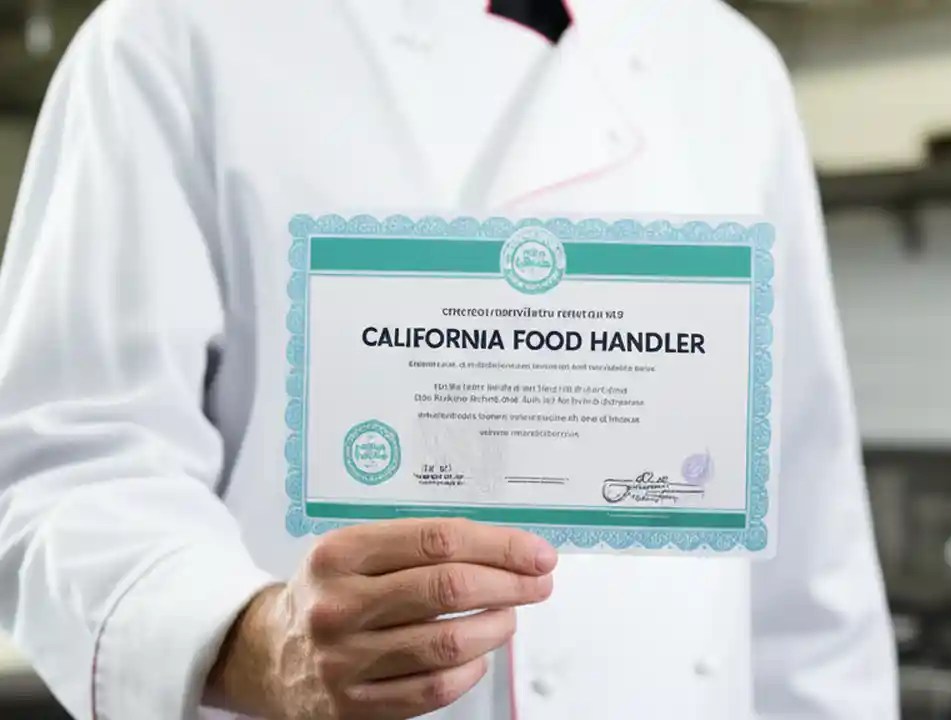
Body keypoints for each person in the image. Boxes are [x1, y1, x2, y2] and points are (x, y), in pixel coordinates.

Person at [0, 0, 897, 718]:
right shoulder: (174, 33)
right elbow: (70, 473)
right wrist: (261, 642)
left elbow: (808, 551)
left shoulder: (729, 65)